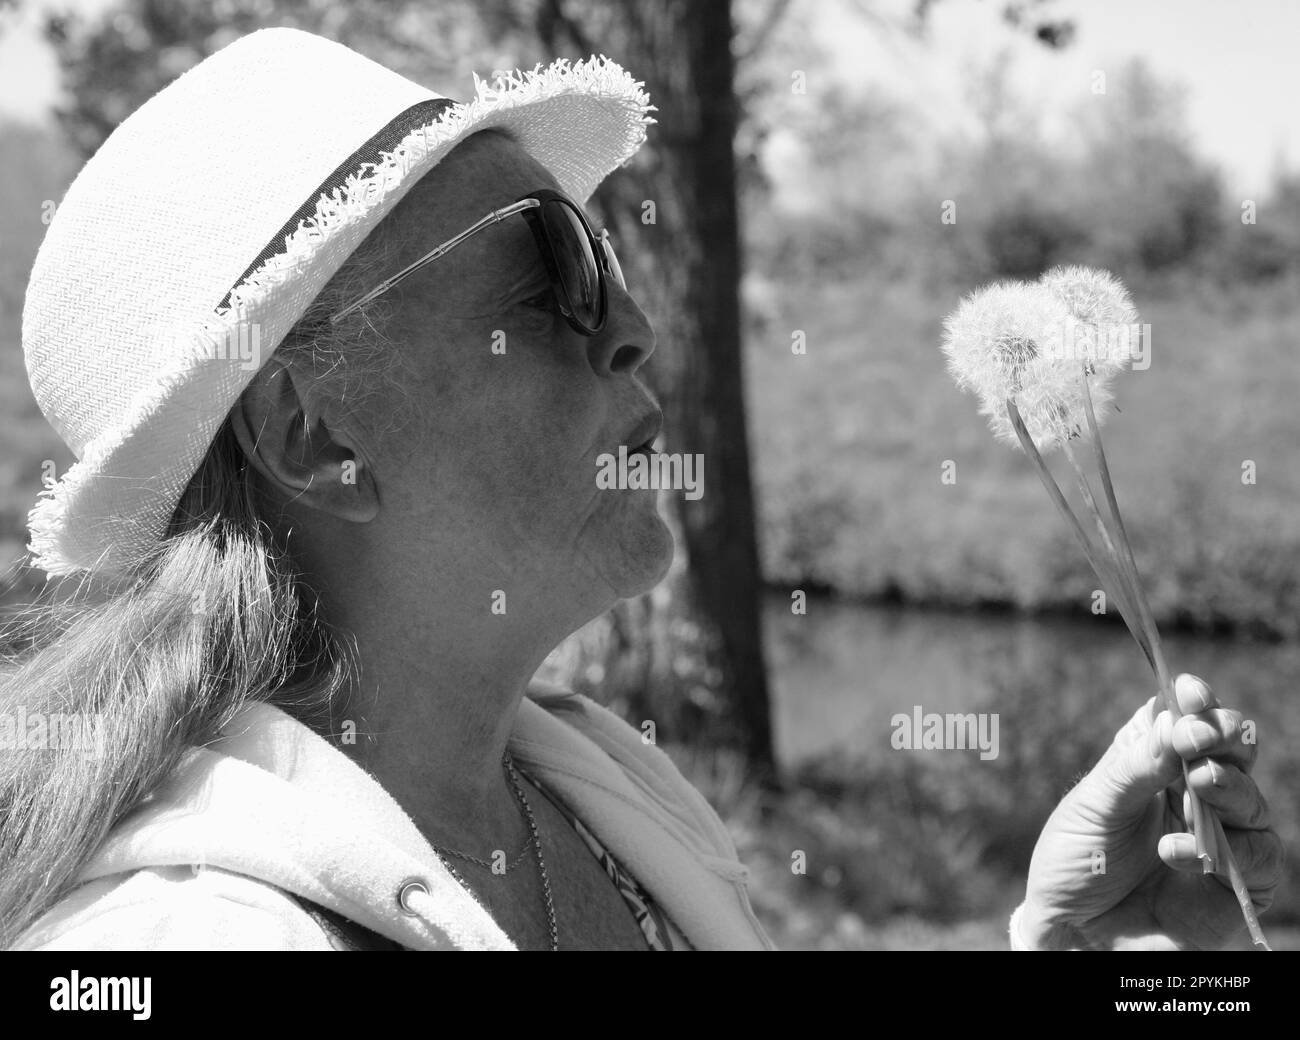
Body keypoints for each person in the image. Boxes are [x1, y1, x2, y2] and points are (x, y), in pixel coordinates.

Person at [1, 29, 1281, 951]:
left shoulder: (613, 794)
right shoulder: (187, 933)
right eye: (544, 268)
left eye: (601, 253)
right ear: (313, 433)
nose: (632, 330)